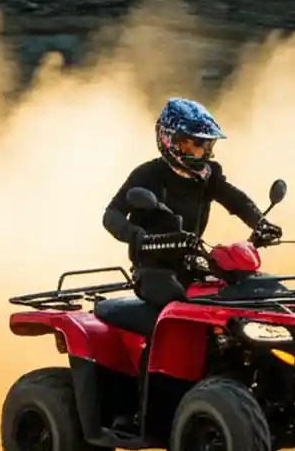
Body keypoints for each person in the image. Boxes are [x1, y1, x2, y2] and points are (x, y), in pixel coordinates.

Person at [103, 97, 282, 311]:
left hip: (197, 264)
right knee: (183, 307)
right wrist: (138, 237)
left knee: (261, 289)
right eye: (194, 143)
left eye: (206, 144)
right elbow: (111, 215)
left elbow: (235, 199)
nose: (202, 151)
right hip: (154, 272)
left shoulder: (209, 174)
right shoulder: (147, 174)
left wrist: (260, 222)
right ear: (171, 141)